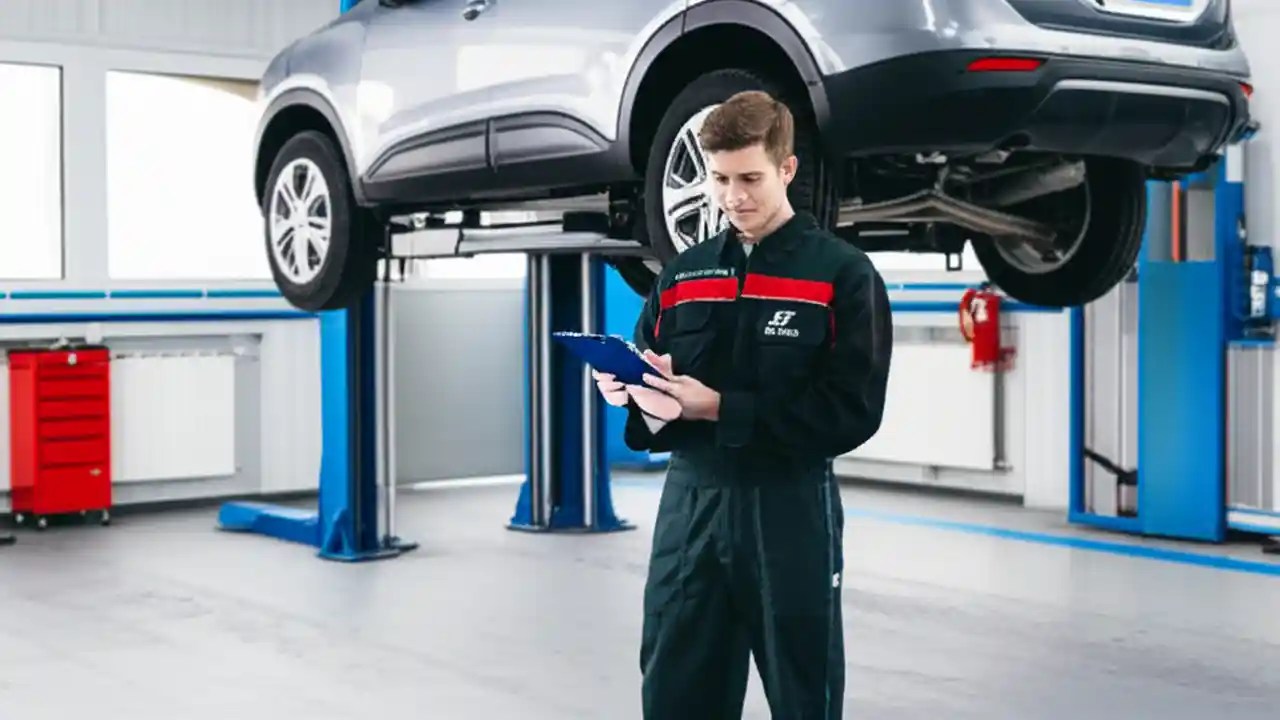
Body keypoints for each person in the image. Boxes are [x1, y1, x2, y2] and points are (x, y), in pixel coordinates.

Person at [593, 90, 894, 719]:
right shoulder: (683, 274)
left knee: (803, 690)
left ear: (787, 169)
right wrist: (633, 393)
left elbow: (852, 410)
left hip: (788, 508)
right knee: (675, 687)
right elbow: (657, 394)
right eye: (721, 179)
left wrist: (722, 408)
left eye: (750, 179)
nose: (733, 198)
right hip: (690, 508)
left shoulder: (841, 274)